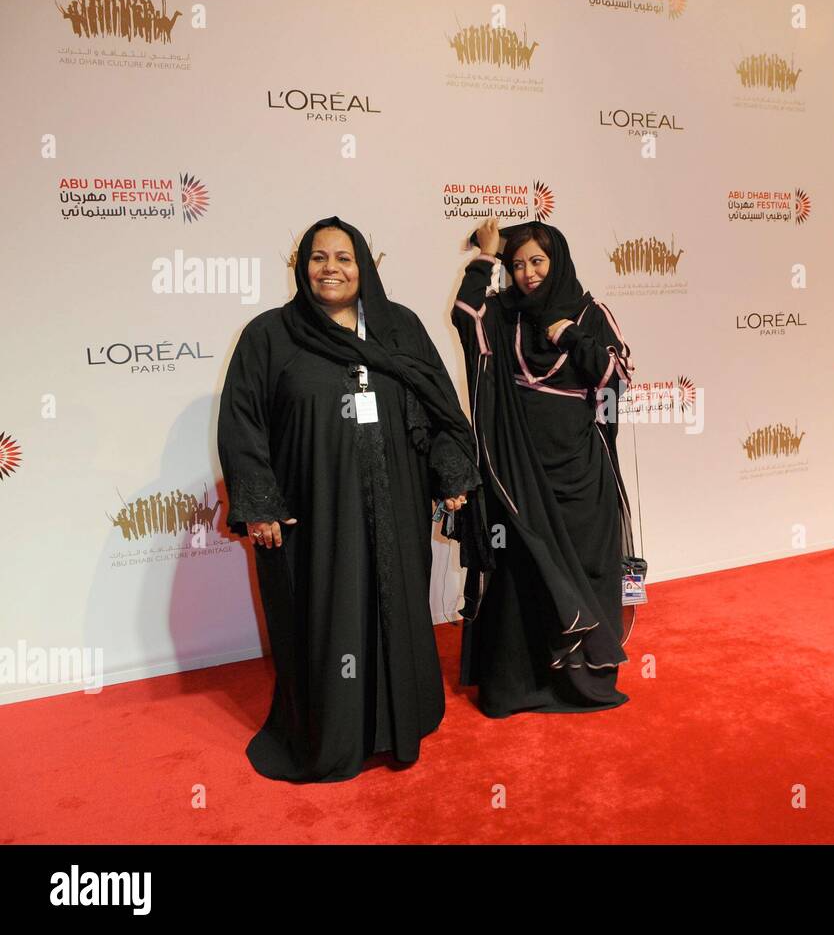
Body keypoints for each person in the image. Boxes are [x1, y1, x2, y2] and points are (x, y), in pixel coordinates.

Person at [217, 216, 484, 782]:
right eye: (319, 257)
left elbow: (441, 408)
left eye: (343, 257)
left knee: (395, 601)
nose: (330, 269)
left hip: (397, 503)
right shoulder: (270, 335)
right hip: (314, 514)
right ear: (302, 265)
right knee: (326, 614)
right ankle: (332, 734)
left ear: (364, 265)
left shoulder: (399, 328)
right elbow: (243, 424)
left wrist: (452, 471)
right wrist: (259, 503)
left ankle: (398, 721)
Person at [449, 217, 635, 716]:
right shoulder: (505, 312)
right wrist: (486, 256)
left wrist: (573, 337)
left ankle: (581, 685)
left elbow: (617, 379)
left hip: (581, 474)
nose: (528, 273)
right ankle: (517, 686)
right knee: (520, 572)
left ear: (557, 260)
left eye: (537, 261)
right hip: (519, 473)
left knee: (585, 570)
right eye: (518, 264)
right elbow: (465, 315)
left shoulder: (590, 312)